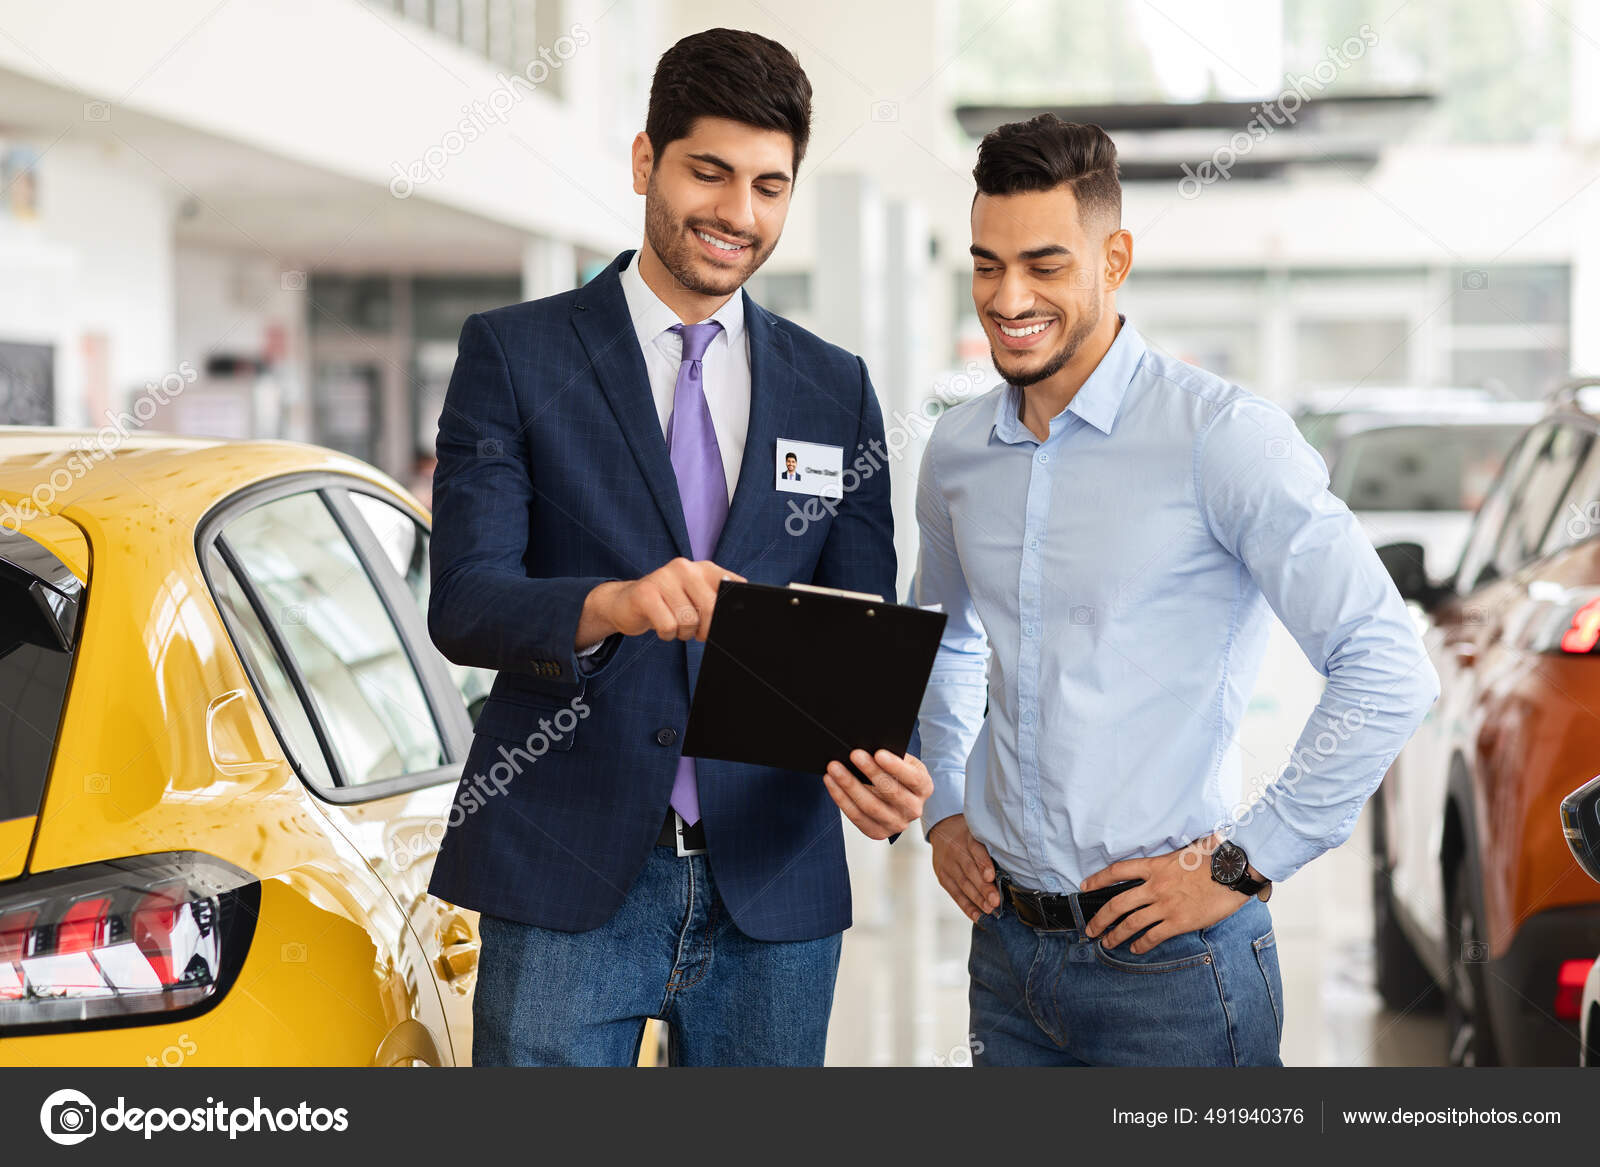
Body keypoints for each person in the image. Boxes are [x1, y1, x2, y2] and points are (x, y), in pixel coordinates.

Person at [425, 27, 931, 1067]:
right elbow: (466, 602)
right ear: (645, 160)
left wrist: (885, 769)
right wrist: (608, 603)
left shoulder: (835, 388)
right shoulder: (515, 355)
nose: (737, 215)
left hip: (773, 883)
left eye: (768, 186)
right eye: (709, 173)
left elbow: (856, 637)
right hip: (566, 871)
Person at [913, 114, 1439, 1067]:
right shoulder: (958, 452)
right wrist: (946, 803)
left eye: (1043, 264)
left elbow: (1387, 662)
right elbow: (942, 640)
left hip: (1176, 974)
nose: (1009, 297)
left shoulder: (1220, 436)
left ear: (1114, 260)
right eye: (987, 266)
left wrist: (1242, 861)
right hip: (1007, 958)